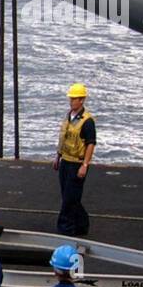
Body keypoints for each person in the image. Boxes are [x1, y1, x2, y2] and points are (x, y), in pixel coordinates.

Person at [54, 83, 96, 236]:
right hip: (66, 160)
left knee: (70, 197)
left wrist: (85, 165)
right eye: (70, 98)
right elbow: (64, 138)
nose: (71, 101)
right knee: (68, 194)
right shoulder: (68, 116)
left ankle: (65, 228)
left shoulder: (87, 121)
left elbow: (91, 144)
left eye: (74, 99)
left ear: (82, 100)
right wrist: (58, 156)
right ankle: (82, 224)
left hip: (77, 162)